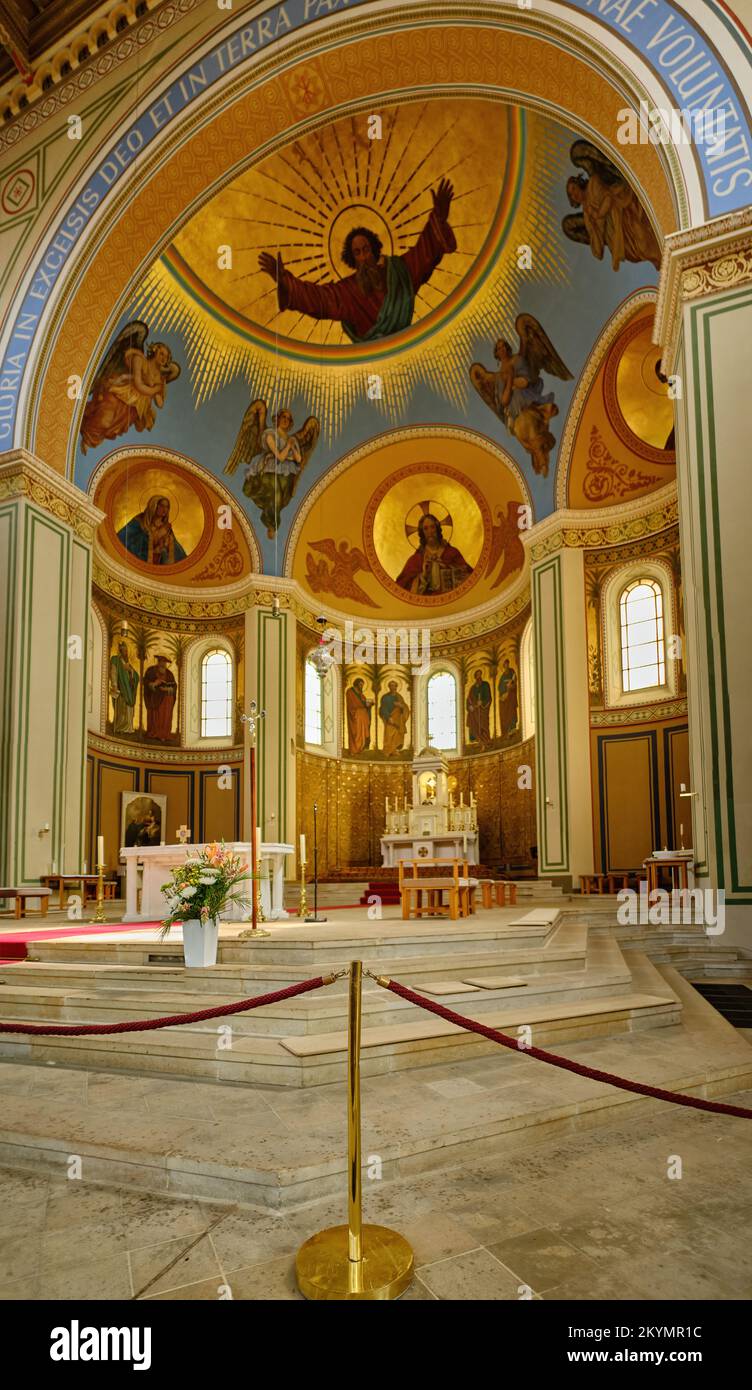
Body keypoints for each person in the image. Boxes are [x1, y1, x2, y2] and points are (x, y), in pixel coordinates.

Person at [259, 180, 456, 342]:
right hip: (371, 358)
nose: (363, 257)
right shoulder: (349, 292)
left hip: (406, 348)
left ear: (374, 249)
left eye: (365, 250)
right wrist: (283, 279)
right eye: (357, 253)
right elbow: (318, 299)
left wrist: (438, 217)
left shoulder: (400, 272)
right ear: (352, 259)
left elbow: (424, 253)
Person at [396, 513, 472, 595]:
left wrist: (447, 568)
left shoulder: (452, 553)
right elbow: (402, 589)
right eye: (426, 528)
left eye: (432, 527)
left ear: (437, 529)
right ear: (422, 533)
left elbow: (469, 577)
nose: (430, 531)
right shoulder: (415, 559)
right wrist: (423, 576)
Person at [117, 495, 187, 565]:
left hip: (160, 563)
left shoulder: (166, 527)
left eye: (167, 507)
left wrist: (168, 543)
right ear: (154, 505)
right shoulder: (140, 520)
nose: (165, 509)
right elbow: (122, 538)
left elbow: (176, 548)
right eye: (162, 506)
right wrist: (156, 535)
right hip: (140, 563)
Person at [143, 654, 177, 740]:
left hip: (167, 699)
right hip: (155, 698)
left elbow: (174, 686)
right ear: (158, 663)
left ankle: (165, 734)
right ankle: (155, 732)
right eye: (162, 662)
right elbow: (146, 682)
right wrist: (154, 684)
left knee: (165, 717)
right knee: (156, 716)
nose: (163, 665)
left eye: (165, 663)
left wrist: (168, 688)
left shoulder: (169, 674)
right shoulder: (151, 671)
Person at [109, 641, 139, 734]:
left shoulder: (128, 664)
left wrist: (131, 671)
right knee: (121, 709)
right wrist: (114, 684)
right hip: (121, 689)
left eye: (126, 651)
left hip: (128, 691)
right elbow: (113, 672)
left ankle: (128, 728)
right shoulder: (116, 660)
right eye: (123, 651)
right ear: (120, 651)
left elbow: (136, 677)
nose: (125, 653)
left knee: (128, 709)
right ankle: (120, 728)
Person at [379, 681, 409, 756]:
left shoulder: (399, 697)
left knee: (397, 735)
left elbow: (405, 707)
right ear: (389, 687)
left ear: (396, 687)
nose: (393, 687)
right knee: (389, 735)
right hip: (390, 719)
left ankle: (394, 750)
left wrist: (401, 706)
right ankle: (387, 751)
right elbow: (383, 708)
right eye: (391, 686)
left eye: (394, 686)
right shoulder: (385, 697)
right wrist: (388, 717)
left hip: (399, 719)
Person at [346, 677, 373, 752]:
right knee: (356, 733)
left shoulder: (362, 695)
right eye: (360, 684)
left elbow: (364, 703)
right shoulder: (350, 692)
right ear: (356, 684)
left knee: (363, 731)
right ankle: (355, 748)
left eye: (362, 685)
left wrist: (369, 705)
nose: (361, 686)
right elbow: (352, 704)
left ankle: (362, 746)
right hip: (355, 715)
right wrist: (364, 705)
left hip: (362, 716)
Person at [466, 669, 492, 746]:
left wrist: (482, 702)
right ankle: (477, 740)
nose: (479, 676)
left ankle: (486, 740)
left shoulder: (485, 685)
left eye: (480, 674)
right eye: (477, 675)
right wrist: (470, 707)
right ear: (475, 677)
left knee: (483, 724)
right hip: (474, 710)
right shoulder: (472, 688)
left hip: (482, 710)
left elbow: (489, 697)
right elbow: (468, 699)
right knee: (473, 722)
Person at [498, 659, 518, 736]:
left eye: (507, 664)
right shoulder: (503, 676)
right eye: (505, 664)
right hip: (505, 697)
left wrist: (511, 684)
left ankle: (513, 728)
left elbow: (514, 680)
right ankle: (507, 730)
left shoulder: (512, 672)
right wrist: (504, 691)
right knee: (506, 713)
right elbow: (499, 687)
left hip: (511, 695)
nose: (506, 665)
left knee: (512, 711)